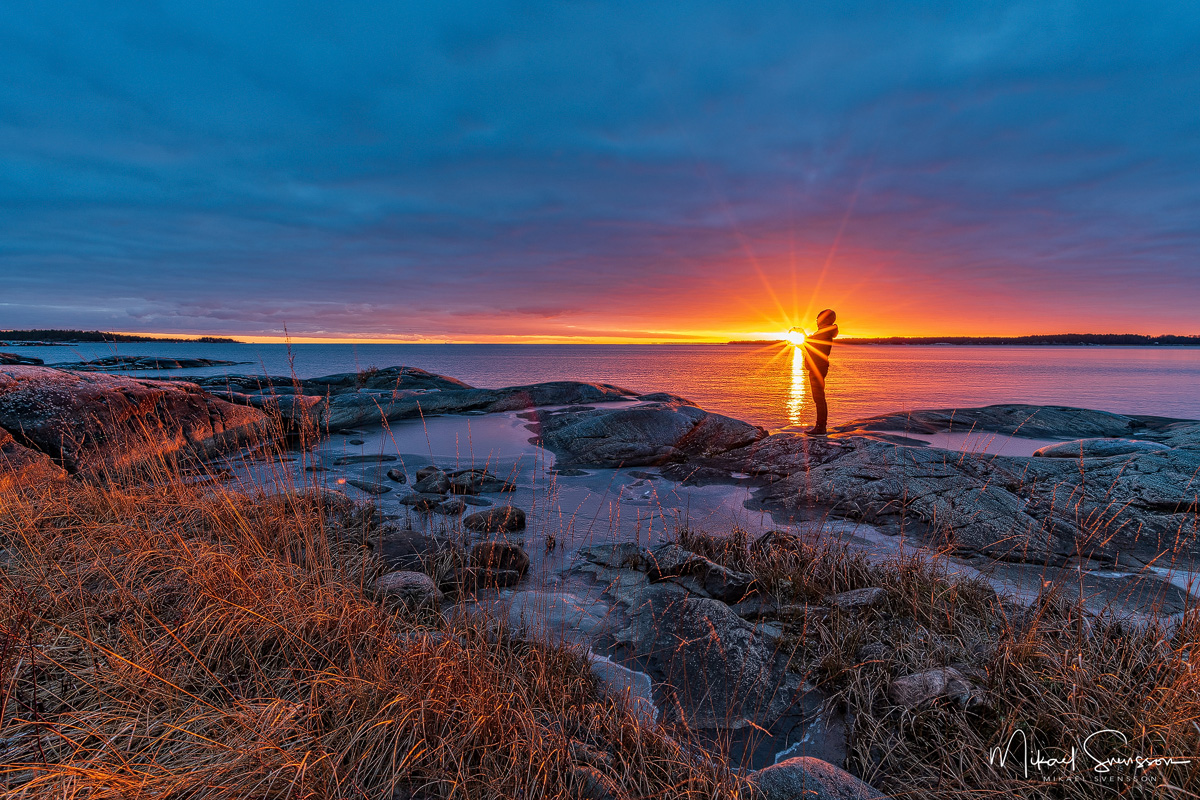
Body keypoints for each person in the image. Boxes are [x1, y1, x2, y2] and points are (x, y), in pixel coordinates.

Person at [801, 308, 838, 435]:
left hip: (818, 367)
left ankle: (821, 427)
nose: (816, 321)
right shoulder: (825, 332)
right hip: (819, 367)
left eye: (818, 318)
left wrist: (804, 336)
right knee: (819, 397)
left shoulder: (824, 332)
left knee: (819, 398)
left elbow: (814, 347)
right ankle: (820, 426)